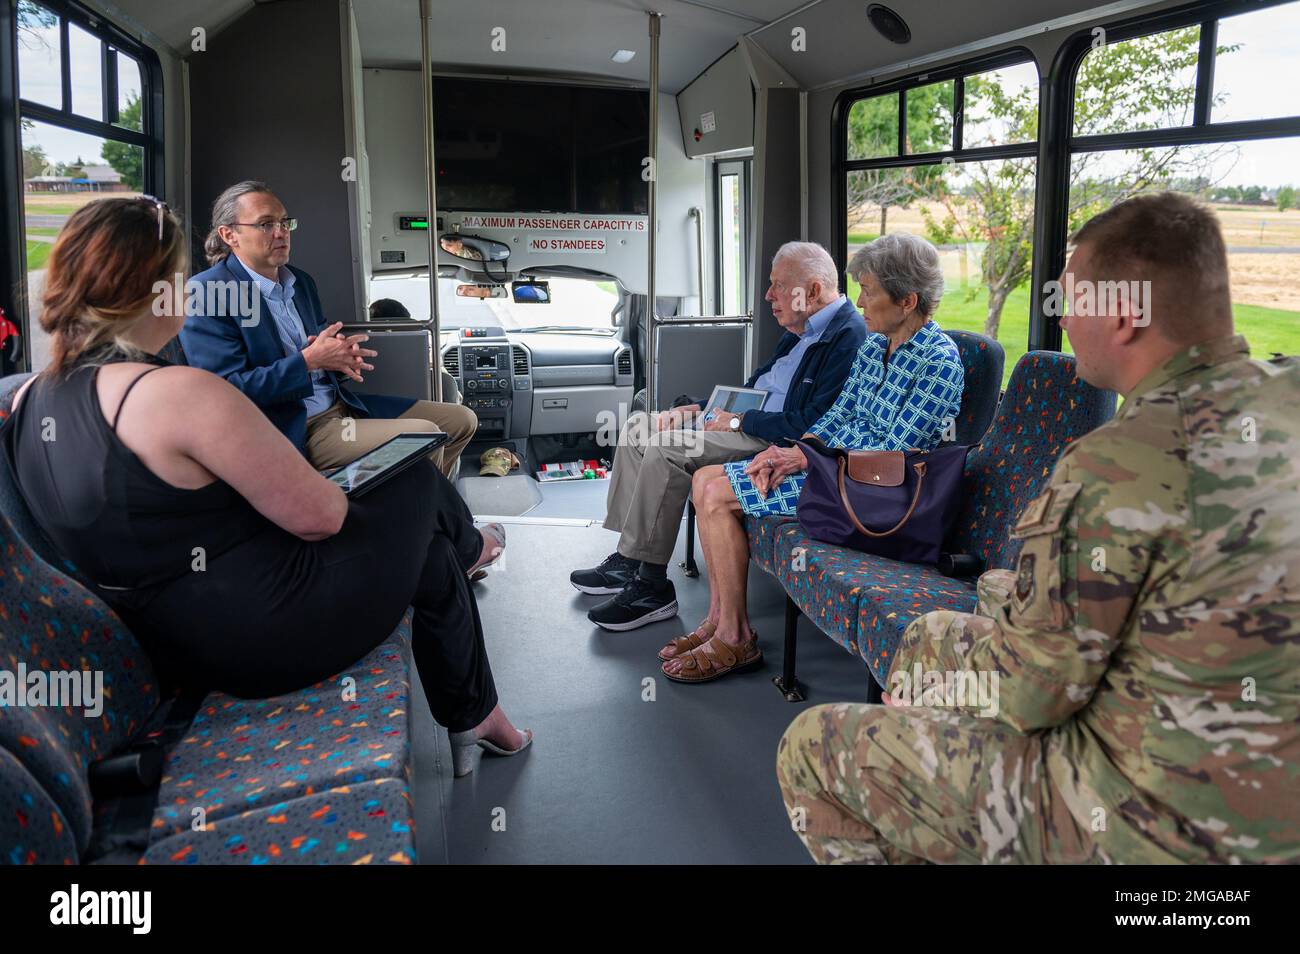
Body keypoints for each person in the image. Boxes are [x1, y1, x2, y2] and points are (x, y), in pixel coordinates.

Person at [777, 191, 1300, 864]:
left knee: (811, 748)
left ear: (1124, 318)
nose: (1062, 319)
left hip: (1149, 817)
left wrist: (933, 704)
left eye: (1069, 301)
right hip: (1252, 772)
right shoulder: (1281, 404)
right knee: (935, 630)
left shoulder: (1118, 463)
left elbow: (1030, 695)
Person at [3, 196, 530, 778]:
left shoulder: (30, 400)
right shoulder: (178, 394)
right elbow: (321, 518)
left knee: (430, 551)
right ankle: (470, 553)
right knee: (413, 476)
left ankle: (476, 712)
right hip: (260, 633)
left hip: (166, 635)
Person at [662, 233, 964, 684]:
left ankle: (736, 636)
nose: (858, 300)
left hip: (880, 496)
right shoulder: (873, 347)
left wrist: (809, 463)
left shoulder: (939, 363)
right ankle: (718, 620)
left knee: (716, 490)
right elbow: (840, 415)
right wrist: (793, 451)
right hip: (836, 472)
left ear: (907, 301)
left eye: (869, 290)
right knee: (705, 478)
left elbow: (894, 455)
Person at [572, 241, 867, 630]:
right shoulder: (800, 329)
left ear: (811, 290)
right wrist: (697, 409)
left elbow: (808, 422)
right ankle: (628, 560)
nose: (768, 295)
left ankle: (651, 586)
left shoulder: (847, 336)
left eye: (778, 286)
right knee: (640, 426)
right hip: (744, 424)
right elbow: (755, 390)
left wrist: (735, 423)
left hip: (772, 440)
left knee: (668, 448)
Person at [180, 180, 476, 479]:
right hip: (294, 427)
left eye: (284, 222)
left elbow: (322, 352)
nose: (281, 232)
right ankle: (429, 521)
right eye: (266, 224)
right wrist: (309, 361)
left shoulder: (301, 282)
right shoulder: (208, 293)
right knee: (423, 435)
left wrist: (342, 357)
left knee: (461, 419)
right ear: (229, 234)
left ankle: (429, 510)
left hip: (342, 409)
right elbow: (227, 391)